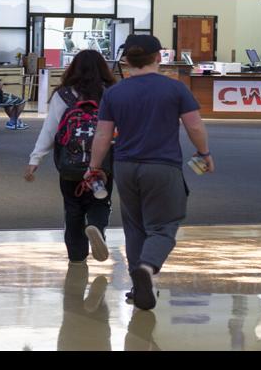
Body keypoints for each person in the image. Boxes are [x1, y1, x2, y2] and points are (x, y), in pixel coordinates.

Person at [81, 34, 212, 312]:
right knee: (163, 226)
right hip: (162, 167)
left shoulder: (114, 93)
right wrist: (204, 153)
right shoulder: (175, 89)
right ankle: (147, 268)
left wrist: (94, 167)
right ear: (159, 57)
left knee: (135, 227)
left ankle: (138, 286)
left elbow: (103, 134)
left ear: (126, 60)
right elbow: (195, 126)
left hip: (126, 167)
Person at [26, 49, 116, 265]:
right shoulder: (111, 93)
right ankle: (96, 226)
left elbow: (50, 129)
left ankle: (77, 257)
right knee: (100, 201)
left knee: (72, 207)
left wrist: (35, 159)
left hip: (70, 164)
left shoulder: (63, 94)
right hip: (100, 163)